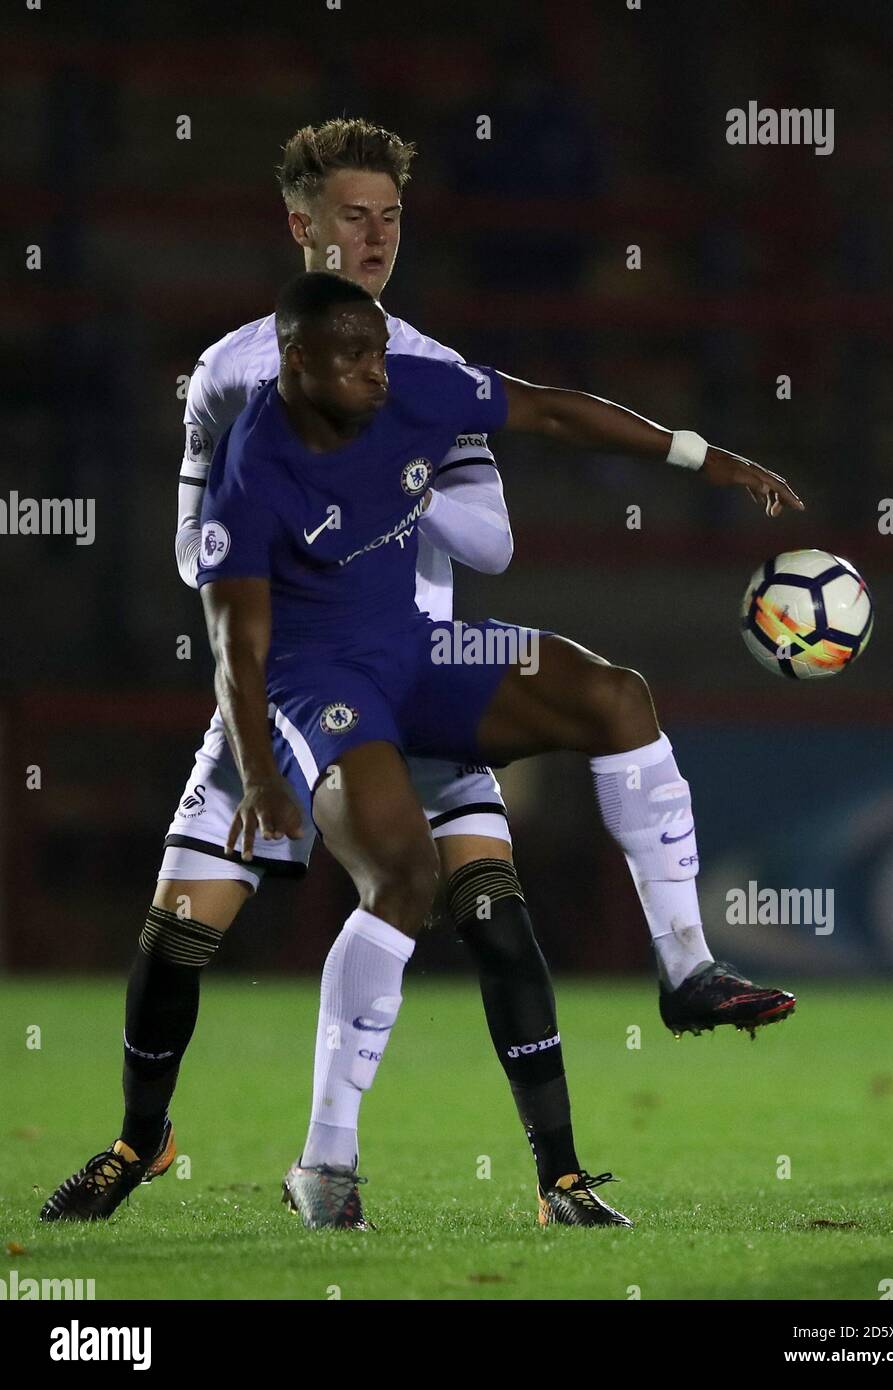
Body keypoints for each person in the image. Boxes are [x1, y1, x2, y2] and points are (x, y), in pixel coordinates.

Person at [41, 120, 645, 1231]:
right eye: (353, 216)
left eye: (392, 216)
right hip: (285, 676)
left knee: (494, 915)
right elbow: (192, 553)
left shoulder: (428, 371)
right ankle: (141, 1138)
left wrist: (388, 482)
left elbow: (495, 541)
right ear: (300, 225)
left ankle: (558, 1173)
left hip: (421, 677)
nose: (375, 237)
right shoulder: (227, 374)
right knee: (180, 931)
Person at [192, 270, 802, 1229]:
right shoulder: (251, 468)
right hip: (322, 685)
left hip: (422, 653)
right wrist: (262, 778)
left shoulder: (410, 386)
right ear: (295, 363)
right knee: (400, 875)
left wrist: (699, 455)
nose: (375, 374)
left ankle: (687, 971)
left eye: (377, 352)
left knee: (614, 696)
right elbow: (238, 643)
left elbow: (554, 413)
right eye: (350, 357)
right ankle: (326, 1161)